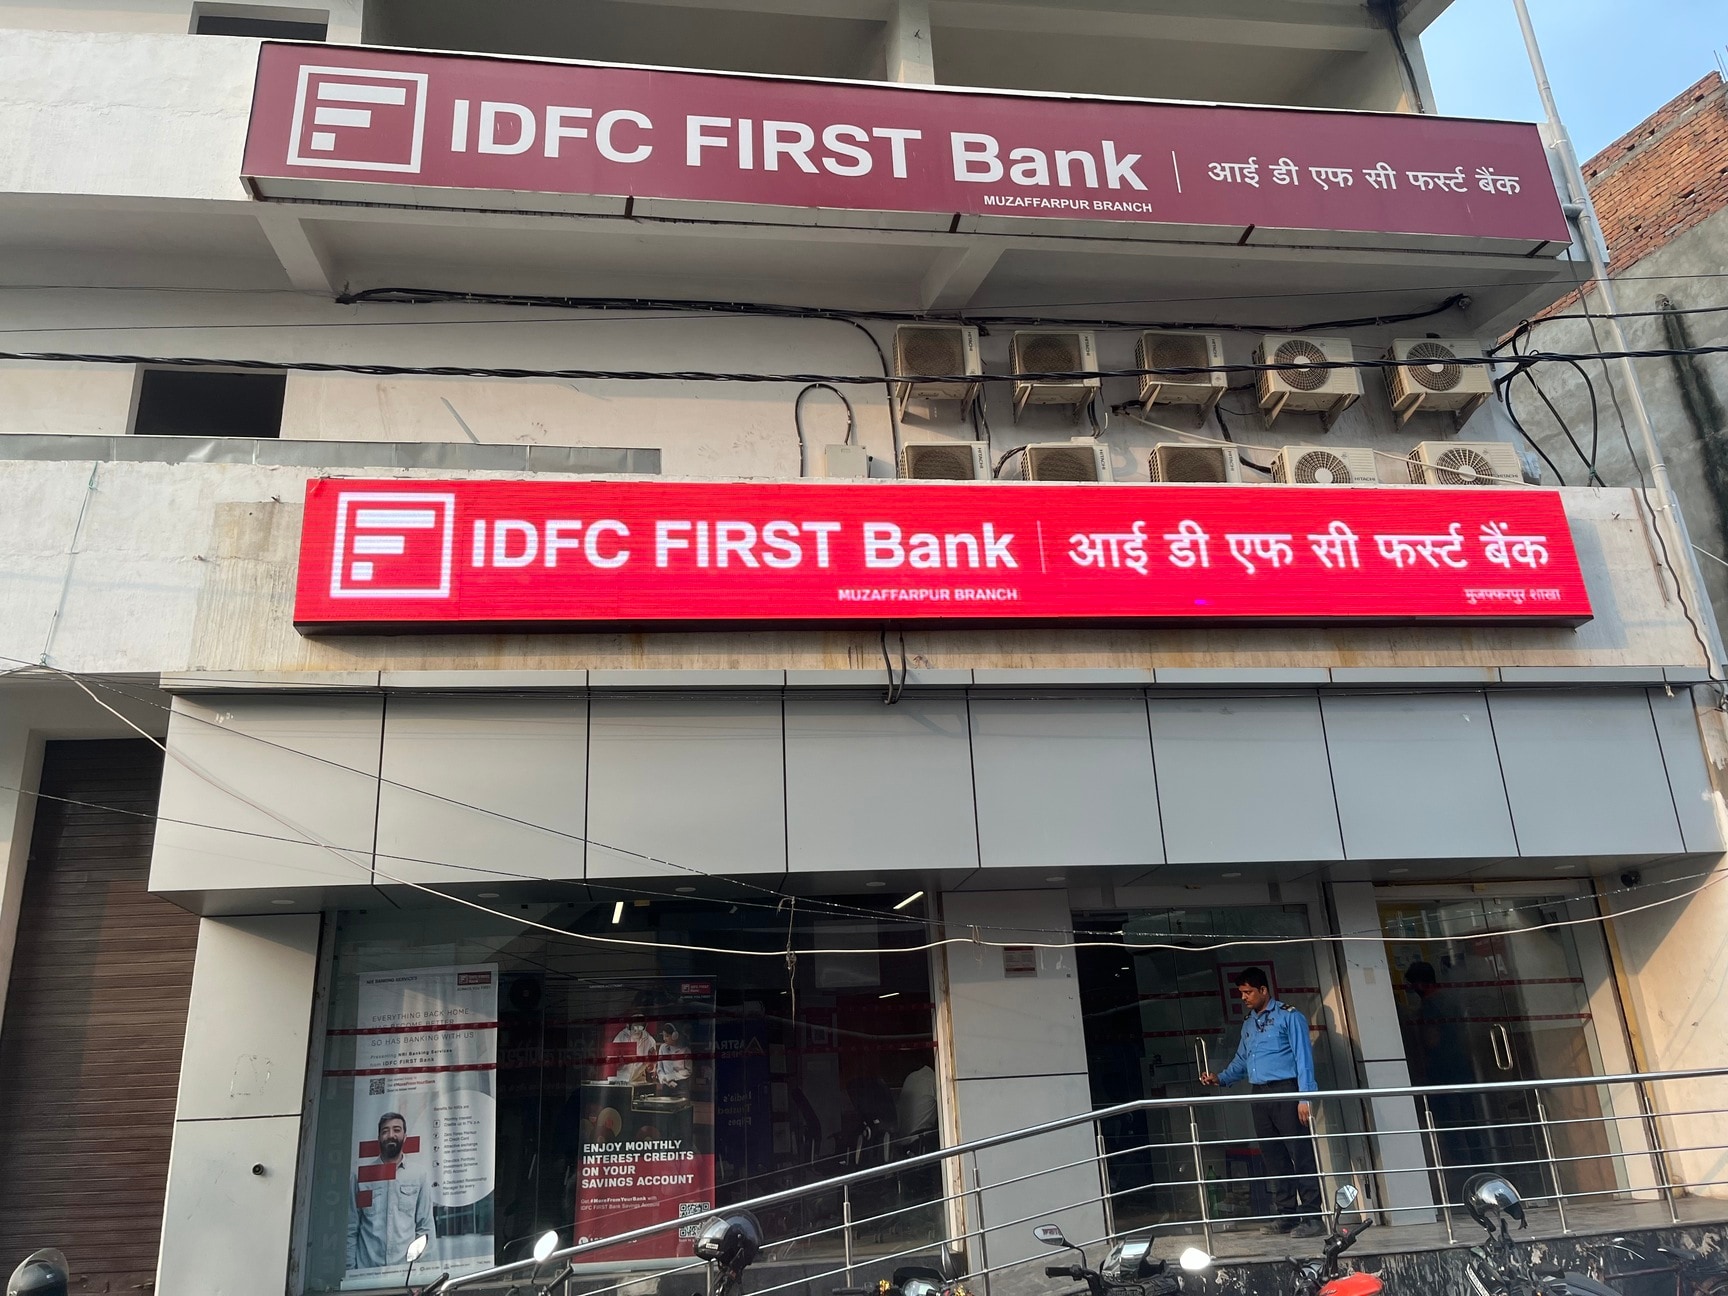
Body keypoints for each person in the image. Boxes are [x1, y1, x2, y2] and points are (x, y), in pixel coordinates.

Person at [1200, 968, 1324, 1237]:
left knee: (1300, 1154)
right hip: (1260, 1094)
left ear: (1264, 990)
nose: (1244, 997)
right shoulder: (1249, 1024)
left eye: (1248, 992)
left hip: (1286, 1091)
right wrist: (1220, 1078)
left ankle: (1313, 1216)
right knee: (1274, 1157)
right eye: (1241, 993)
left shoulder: (1289, 1016)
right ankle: (1287, 1214)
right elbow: (1242, 1060)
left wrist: (1304, 1097)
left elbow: (1303, 1058)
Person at [347, 1111, 437, 1272]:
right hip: (367, 1272)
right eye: (385, 1131)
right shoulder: (361, 1176)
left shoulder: (418, 1175)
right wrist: (351, 1271)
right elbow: (351, 1228)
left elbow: (425, 1227)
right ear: (379, 1138)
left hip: (405, 1272)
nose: (391, 1135)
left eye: (396, 1130)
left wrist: (422, 1272)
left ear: (405, 1136)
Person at [656, 1021, 693, 1096]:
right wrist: (664, 1079)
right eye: (663, 1036)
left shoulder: (685, 1050)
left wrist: (671, 1076)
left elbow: (688, 1071)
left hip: (681, 1087)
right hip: (666, 1086)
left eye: (667, 1036)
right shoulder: (663, 1048)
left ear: (675, 1036)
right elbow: (659, 1068)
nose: (664, 1038)